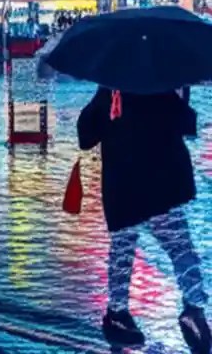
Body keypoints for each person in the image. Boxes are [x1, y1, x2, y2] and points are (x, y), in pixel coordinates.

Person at [78, 87, 209, 351]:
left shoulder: (111, 91)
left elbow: (86, 135)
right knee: (181, 250)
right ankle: (193, 311)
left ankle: (117, 315)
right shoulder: (161, 90)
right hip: (160, 191)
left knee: (122, 253)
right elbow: (186, 123)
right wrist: (181, 93)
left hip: (123, 192)